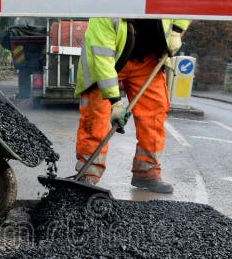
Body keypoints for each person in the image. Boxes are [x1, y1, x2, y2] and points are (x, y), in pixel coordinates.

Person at [74, 18, 190, 193]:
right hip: (110, 61)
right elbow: (103, 63)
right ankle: (88, 174)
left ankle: (147, 171)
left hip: (149, 59)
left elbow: (186, 0)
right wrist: (115, 102)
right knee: (95, 115)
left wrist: (177, 30)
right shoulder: (105, 15)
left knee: (154, 114)